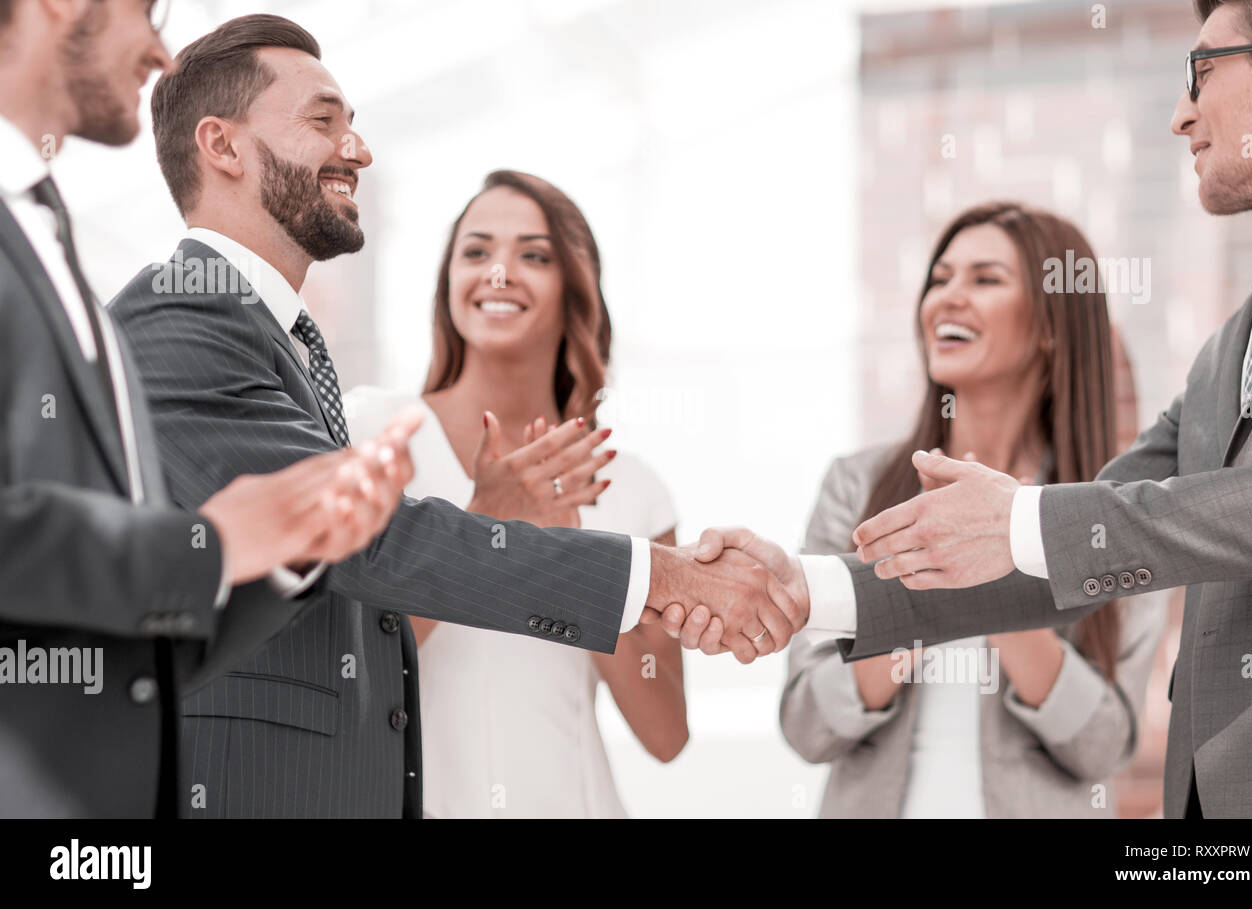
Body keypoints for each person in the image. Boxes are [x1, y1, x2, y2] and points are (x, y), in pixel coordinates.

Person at [109, 14, 794, 818]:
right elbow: (373, 549)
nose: (358, 150)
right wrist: (659, 572)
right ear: (222, 147)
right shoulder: (183, 313)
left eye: (355, 125)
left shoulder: (280, 337)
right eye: (324, 121)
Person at [668, 0, 1252, 820]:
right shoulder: (1228, 351)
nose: (1182, 114)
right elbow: (1082, 536)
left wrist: (1019, 521)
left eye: (1201, 72)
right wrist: (805, 587)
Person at [0, 0, 419, 817]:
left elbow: (112, 642)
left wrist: (288, 547)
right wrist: (213, 542)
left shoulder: (58, 254)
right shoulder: (168, 307)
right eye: (143, 10)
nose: (160, 49)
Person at [778, 203, 1165, 818]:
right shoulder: (856, 485)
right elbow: (806, 724)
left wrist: (994, 574)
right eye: (940, 278)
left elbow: (1103, 746)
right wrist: (919, 604)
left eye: (985, 279)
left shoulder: (1104, 512)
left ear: (1051, 326)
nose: (948, 299)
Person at [346, 170, 687, 818]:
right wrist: (484, 521)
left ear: (574, 289)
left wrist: (578, 557)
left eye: (534, 255)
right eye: (477, 251)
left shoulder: (631, 485)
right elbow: (349, 664)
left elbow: (666, 733)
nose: (499, 272)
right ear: (449, 282)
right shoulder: (374, 434)